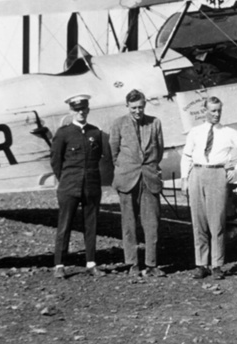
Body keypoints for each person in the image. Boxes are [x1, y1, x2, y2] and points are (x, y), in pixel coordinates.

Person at [181, 96, 237, 279]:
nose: (216, 114)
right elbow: (187, 156)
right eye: (213, 111)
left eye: (219, 110)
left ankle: (217, 265)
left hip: (217, 175)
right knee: (199, 222)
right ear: (205, 111)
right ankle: (201, 264)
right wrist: (184, 179)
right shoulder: (195, 131)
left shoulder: (228, 132)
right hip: (196, 174)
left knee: (217, 222)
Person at [109, 89, 166, 277]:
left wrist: (150, 168)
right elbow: (114, 152)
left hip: (149, 178)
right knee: (129, 223)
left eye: (140, 107)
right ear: (127, 106)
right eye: (133, 108)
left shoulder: (155, 122)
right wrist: (126, 168)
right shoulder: (118, 124)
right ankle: (132, 263)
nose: (137, 111)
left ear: (145, 105)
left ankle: (152, 264)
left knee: (152, 224)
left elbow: (159, 148)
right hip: (127, 178)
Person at [50, 93, 106, 279]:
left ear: (88, 110)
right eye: (76, 109)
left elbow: (97, 157)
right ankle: (59, 264)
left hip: (91, 186)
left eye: (83, 109)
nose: (80, 112)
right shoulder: (63, 133)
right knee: (64, 225)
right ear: (71, 111)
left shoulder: (95, 132)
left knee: (91, 224)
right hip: (69, 187)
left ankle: (91, 263)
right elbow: (56, 162)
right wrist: (66, 179)